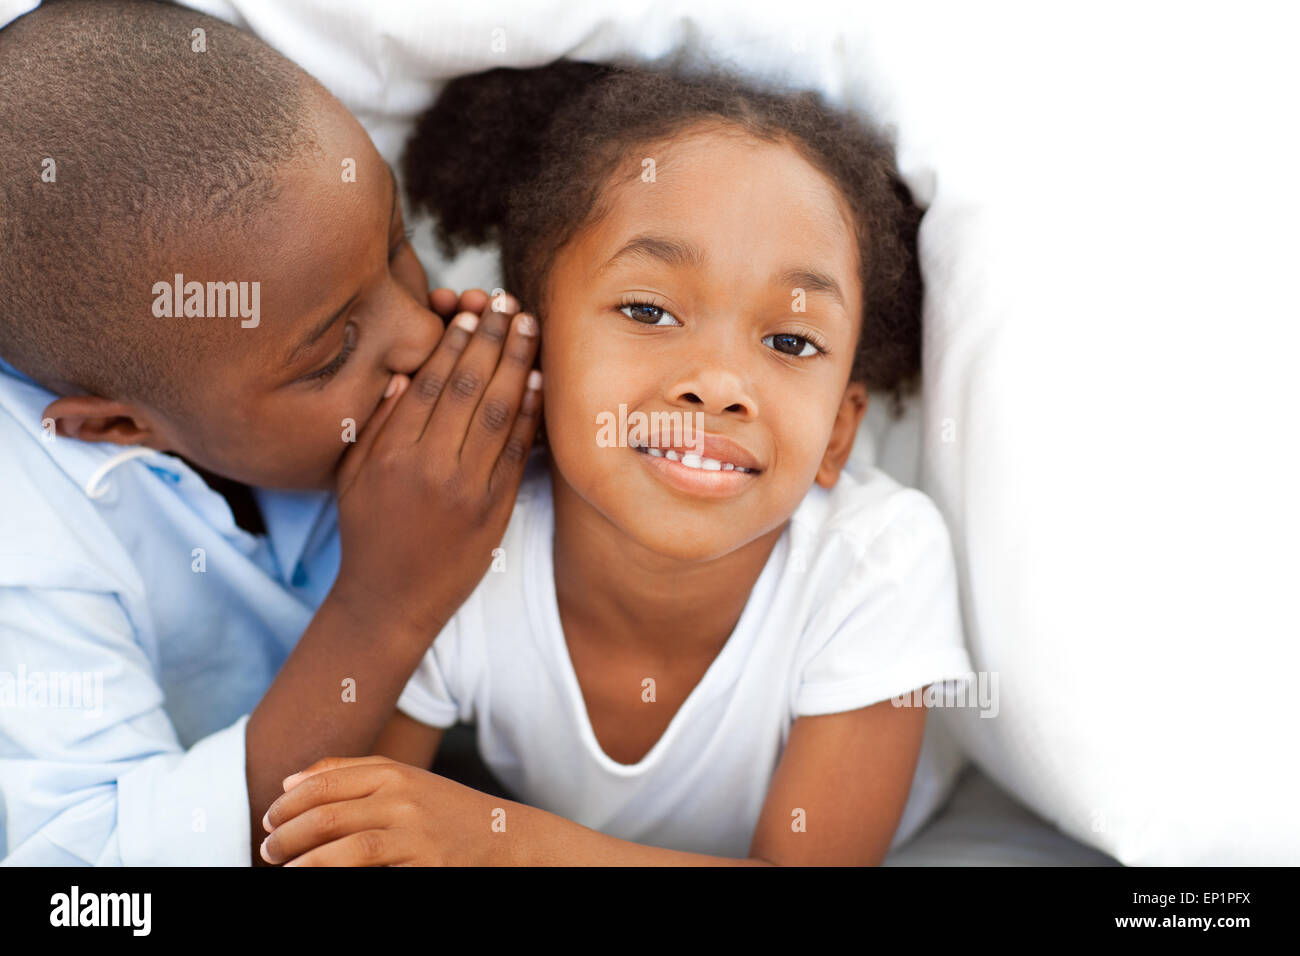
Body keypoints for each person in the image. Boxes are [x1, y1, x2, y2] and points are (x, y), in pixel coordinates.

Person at [261, 61, 973, 866]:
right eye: (647, 309)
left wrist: (504, 845)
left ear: (840, 434)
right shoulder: (466, 541)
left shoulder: (875, 562)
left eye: (790, 342)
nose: (718, 385)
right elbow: (341, 823)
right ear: (533, 348)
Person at [0, 0, 540, 865]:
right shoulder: (24, 550)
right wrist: (386, 606)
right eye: (333, 355)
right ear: (119, 426)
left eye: (397, 249)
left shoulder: (299, 269)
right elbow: (94, 879)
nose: (417, 334)